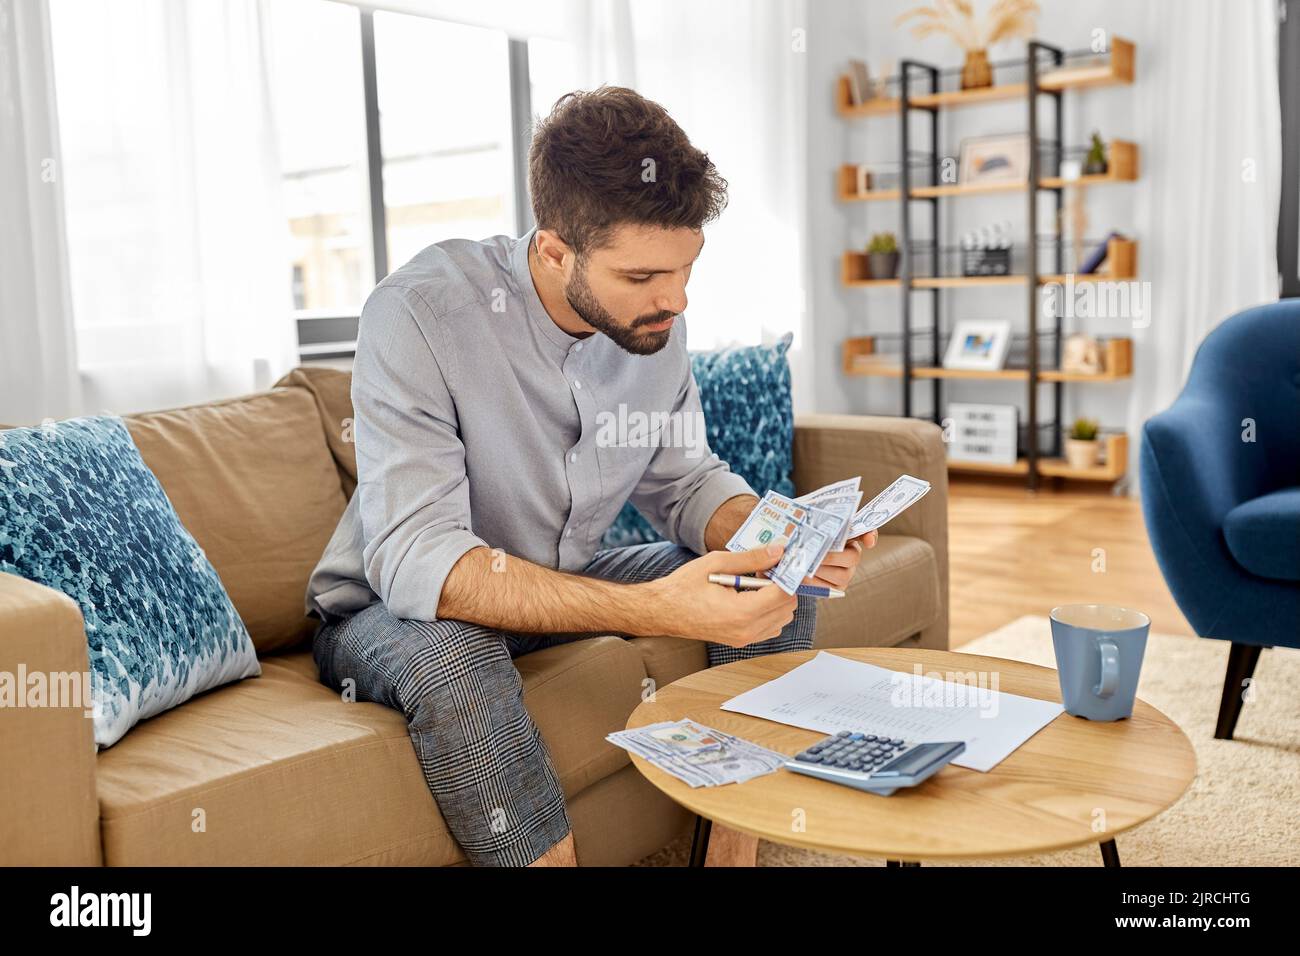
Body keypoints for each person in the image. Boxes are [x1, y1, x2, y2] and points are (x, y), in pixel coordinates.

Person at [306, 86, 875, 867]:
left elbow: (684, 483)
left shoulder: (655, 324)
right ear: (553, 252)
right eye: (642, 276)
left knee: (764, 577)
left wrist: (784, 539)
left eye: (686, 269)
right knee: (453, 653)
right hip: (389, 610)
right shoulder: (419, 315)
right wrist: (654, 608)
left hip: (555, 582)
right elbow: (420, 561)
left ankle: (730, 857)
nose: (674, 298)